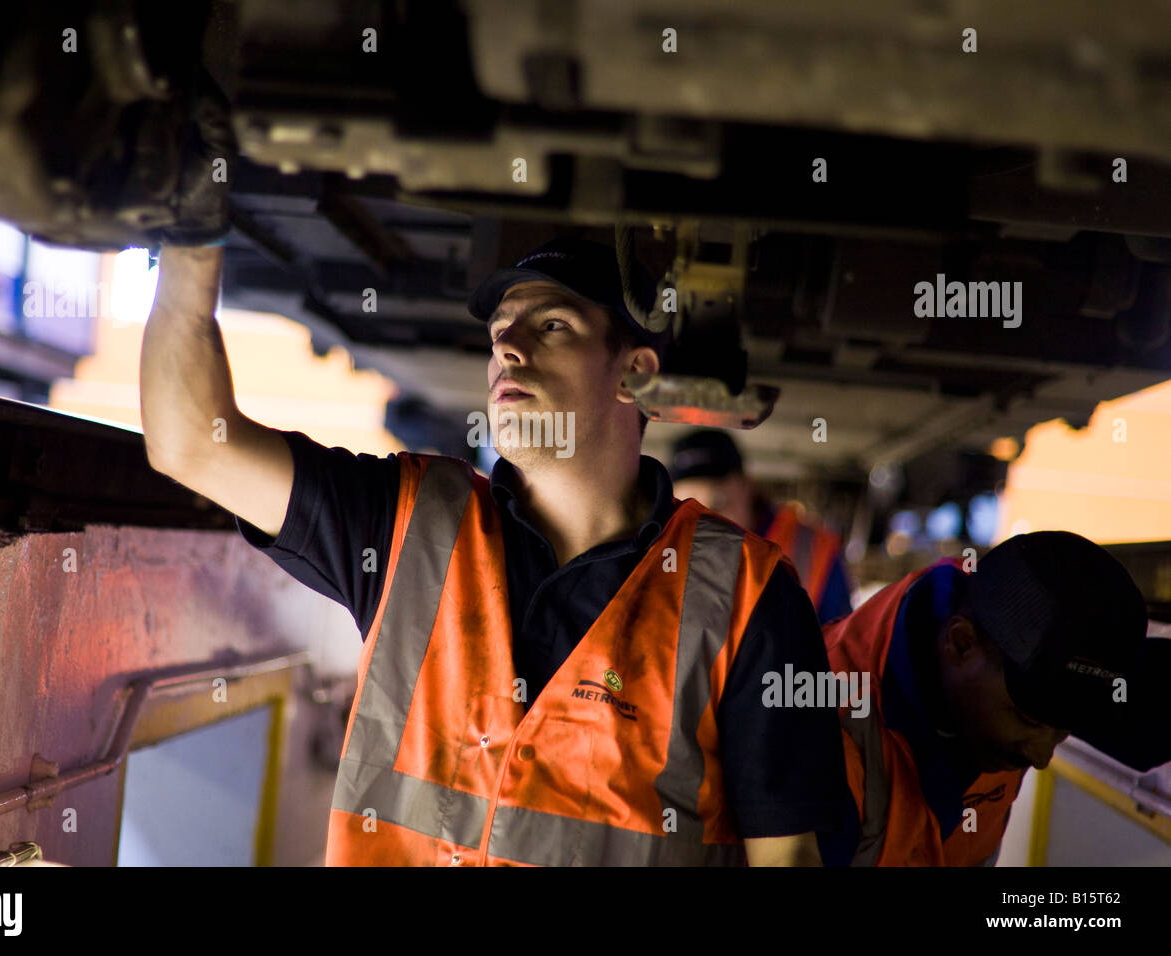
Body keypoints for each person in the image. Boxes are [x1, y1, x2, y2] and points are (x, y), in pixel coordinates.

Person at [140, 234, 848, 866]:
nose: (509, 347)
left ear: (634, 372)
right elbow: (193, 444)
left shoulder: (747, 593)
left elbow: (786, 857)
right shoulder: (410, 524)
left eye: (552, 325)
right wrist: (190, 232)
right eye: (501, 332)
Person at [814, 530, 1169, 866]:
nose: (1041, 755)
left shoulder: (1012, 654)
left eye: (1064, 731)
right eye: (1028, 720)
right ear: (961, 643)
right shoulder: (824, 727)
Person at [669, 429, 854, 624]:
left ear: (746, 488)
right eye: (690, 512)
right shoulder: (664, 553)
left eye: (720, 504)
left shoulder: (813, 548)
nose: (704, 524)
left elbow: (842, 645)